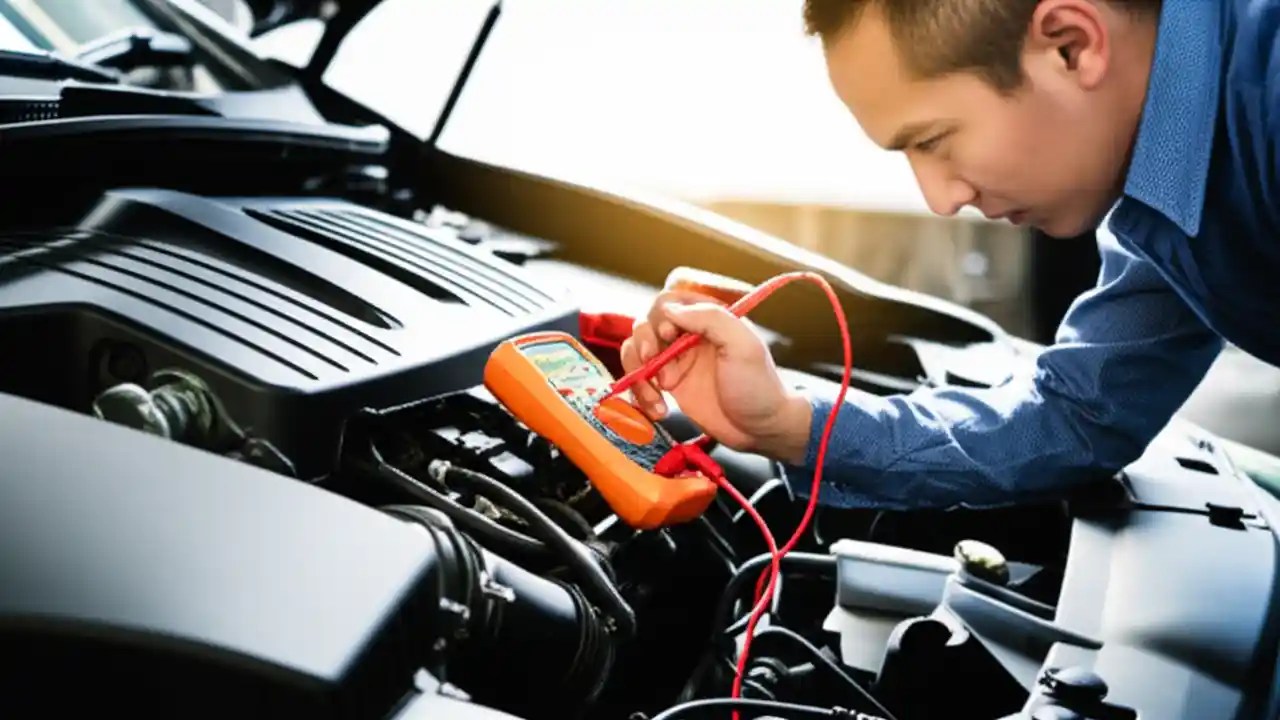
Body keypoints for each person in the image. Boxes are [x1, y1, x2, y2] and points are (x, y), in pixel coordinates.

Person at [619, 0, 1280, 511]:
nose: (939, 199)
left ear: (1071, 45)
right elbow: (1076, 417)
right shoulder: (1163, 188)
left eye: (933, 139)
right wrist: (784, 423)